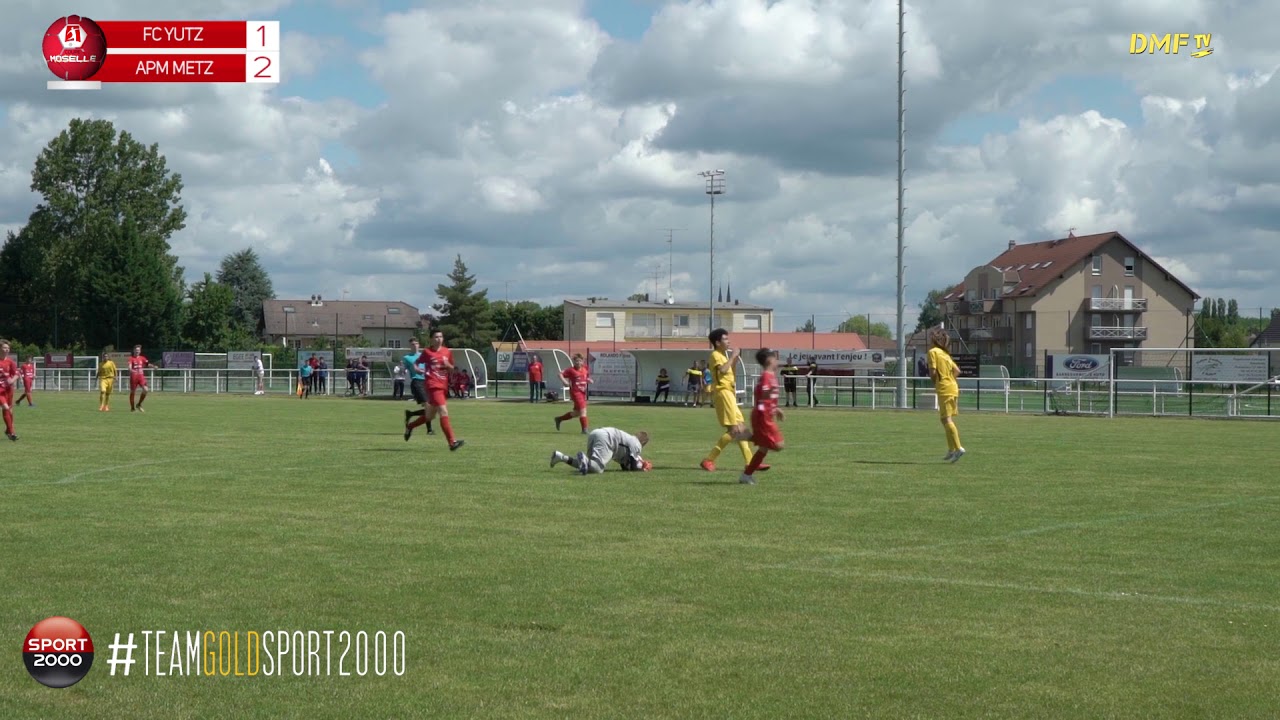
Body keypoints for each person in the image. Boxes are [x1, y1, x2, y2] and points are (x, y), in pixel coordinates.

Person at [699, 329, 760, 473]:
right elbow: (722, 371)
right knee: (734, 430)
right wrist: (733, 357)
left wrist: (734, 360)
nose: (729, 341)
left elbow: (729, 371)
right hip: (723, 393)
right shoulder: (715, 355)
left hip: (729, 393)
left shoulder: (723, 355)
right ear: (717, 342)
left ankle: (750, 462)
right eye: (725, 339)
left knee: (741, 429)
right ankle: (709, 459)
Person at [405, 330, 464, 450]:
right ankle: (452, 442)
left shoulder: (447, 352)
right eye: (436, 337)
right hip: (432, 385)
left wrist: (449, 366)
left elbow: (452, 369)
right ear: (431, 339)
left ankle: (410, 426)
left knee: (429, 416)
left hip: (442, 386)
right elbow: (416, 363)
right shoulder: (427, 352)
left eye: (441, 336)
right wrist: (416, 369)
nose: (439, 339)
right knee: (443, 411)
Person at [733, 349, 785, 484]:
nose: (777, 361)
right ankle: (746, 436)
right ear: (769, 360)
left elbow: (765, 396)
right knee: (778, 445)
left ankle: (746, 475)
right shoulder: (767, 376)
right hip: (763, 416)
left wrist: (775, 408)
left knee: (763, 448)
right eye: (775, 358)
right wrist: (770, 394)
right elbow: (763, 393)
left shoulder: (770, 375)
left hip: (764, 414)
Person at [927, 328, 965, 462]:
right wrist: (950, 380)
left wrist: (936, 382)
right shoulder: (945, 354)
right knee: (944, 419)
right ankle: (951, 449)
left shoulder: (933, 352)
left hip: (945, 388)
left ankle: (958, 448)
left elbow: (932, 371)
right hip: (953, 387)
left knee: (947, 419)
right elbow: (957, 371)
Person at [551, 428, 652, 475]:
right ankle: (584, 459)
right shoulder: (637, 445)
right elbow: (633, 466)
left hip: (596, 433)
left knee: (588, 467)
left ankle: (561, 457)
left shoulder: (630, 439)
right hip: (608, 439)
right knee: (598, 469)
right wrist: (642, 470)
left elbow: (624, 465)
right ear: (643, 443)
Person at [402, 339, 434, 435]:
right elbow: (404, 367)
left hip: (427, 382)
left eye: (416, 343)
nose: (415, 345)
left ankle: (411, 414)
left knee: (430, 408)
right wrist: (403, 370)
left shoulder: (423, 355)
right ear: (410, 346)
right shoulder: (407, 357)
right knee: (428, 407)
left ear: (419, 345)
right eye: (412, 344)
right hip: (417, 382)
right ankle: (429, 430)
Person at [555, 353, 592, 433]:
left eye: (579, 361)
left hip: (582, 393)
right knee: (583, 411)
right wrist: (564, 381)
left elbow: (586, 377)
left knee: (576, 413)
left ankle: (559, 419)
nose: (578, 362)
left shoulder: (585, 368)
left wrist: (588, 380)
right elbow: (560, 374)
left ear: (583, 361)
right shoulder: (571, 370)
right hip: (575, 393)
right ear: (574, 362)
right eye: (576, 361)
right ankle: (584, 430)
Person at [128, 345, 157, 412]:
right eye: (136, 350)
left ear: (140, 351)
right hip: (134, 377)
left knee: (146, 389)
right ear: (134, 350)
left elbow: (148, 364)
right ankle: (132, 408)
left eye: (138, 350)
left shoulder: (142, 358)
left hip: (141, 376)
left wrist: (153, 366)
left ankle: (139, 404)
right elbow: (129, 366)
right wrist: (131, 370)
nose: (137, 351)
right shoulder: (131, 358)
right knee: (133, 392)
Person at [0, 341, 17, 440]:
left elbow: (16, 374)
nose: (7, 350)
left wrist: (12, 380)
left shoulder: (10, 362)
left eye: (8, 348)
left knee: (9, 410)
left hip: (8, 390)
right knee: (6, 408)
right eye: (5, 347)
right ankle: (12, 432)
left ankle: (8, 430)